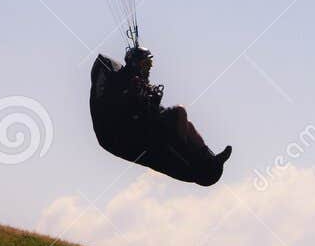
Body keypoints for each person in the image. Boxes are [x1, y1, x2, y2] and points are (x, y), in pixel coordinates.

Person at [90, 44, 232, 186]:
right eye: (146, 64)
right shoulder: (123, 80)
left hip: (137, 127)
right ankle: (186, 152)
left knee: (185, 123)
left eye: (150, 64)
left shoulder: (134, 81)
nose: (149, 68)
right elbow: (122, 105)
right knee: (179, 112)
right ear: (134, 64)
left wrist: (148, 98)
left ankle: (208, 157)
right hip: (119, 134)